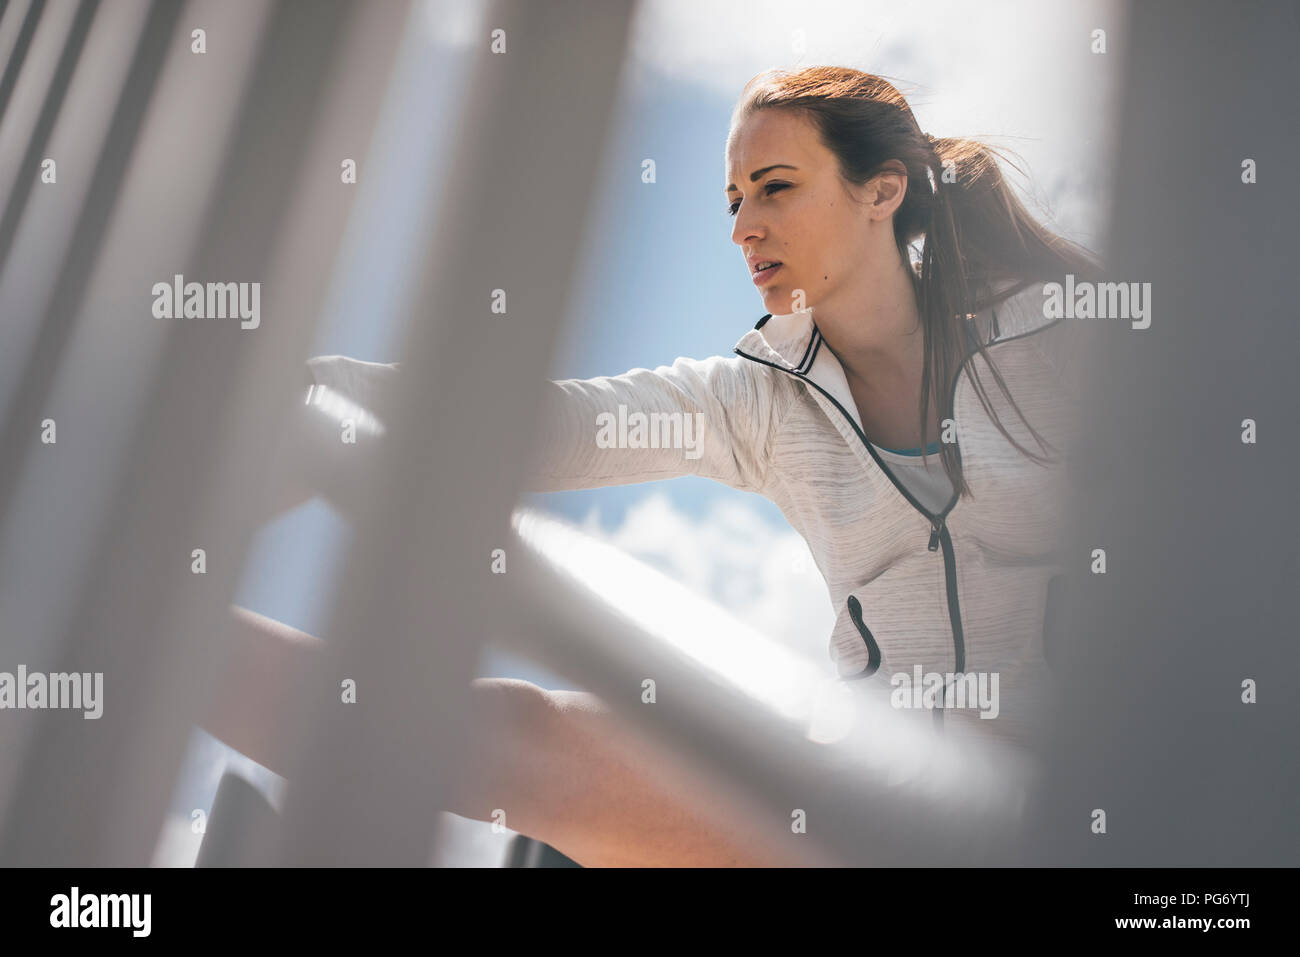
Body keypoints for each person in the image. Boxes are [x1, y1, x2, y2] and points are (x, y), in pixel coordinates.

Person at [218, 66, 1105, 866]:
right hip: (861, 815)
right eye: (732, 200)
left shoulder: (1066, 344)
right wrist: (314, 399)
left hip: (1067, 812)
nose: (744, 227)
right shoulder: (759, 400)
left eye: (775, 188)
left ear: (882, 190)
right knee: (528, 738)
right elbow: (556, 427)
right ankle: (142, 612)